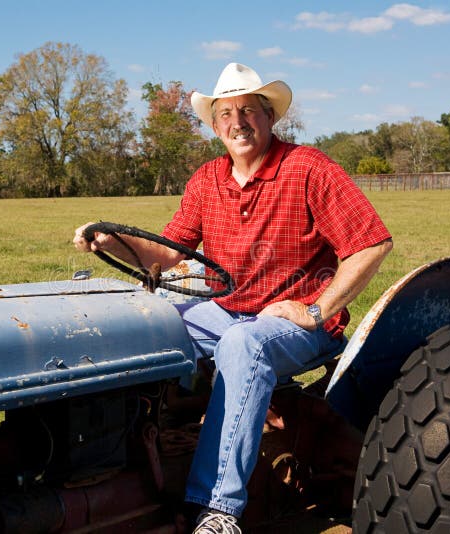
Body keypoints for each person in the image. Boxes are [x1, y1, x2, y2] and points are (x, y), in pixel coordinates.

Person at [74, 62, 392, 534]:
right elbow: (168, 252)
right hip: (227, 311)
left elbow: (371, 242)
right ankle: (119, 458)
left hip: (297, 326)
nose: (237, 122)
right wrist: (111, 240)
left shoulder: (307, 168)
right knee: (149, 324)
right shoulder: (208, 180)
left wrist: (316, 309)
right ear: (215, 124)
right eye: (225, 114)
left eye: (248, 110)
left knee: (245, 345)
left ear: (270, 117)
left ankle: (218, 508)